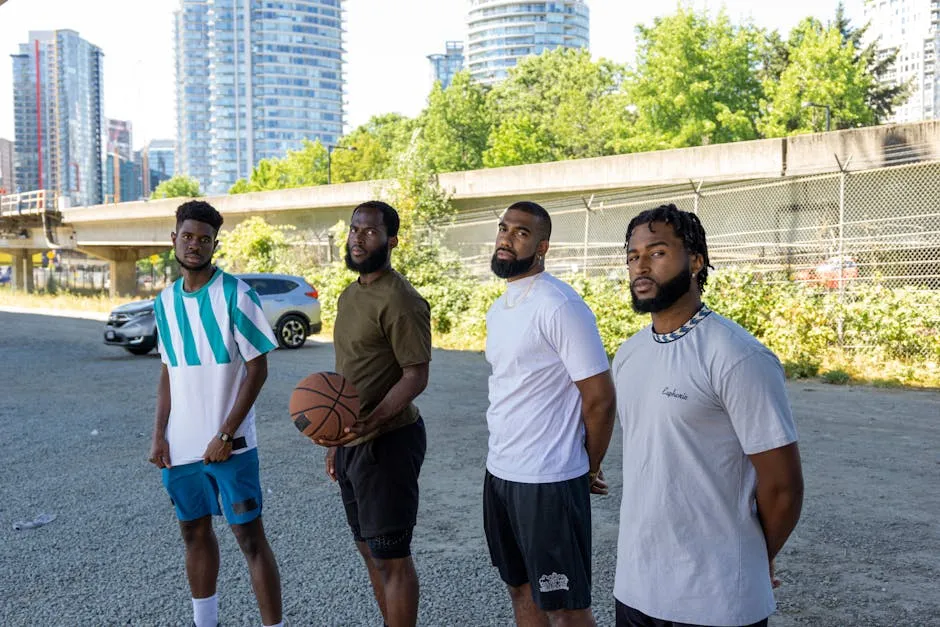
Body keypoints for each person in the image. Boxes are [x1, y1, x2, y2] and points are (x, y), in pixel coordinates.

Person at [612, 204, 804, 627]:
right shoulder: (629, 354)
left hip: (716, 599)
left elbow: (783, 487)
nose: (640, 266)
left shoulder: (737, 356)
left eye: (657, 252)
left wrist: (753, 557)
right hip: (635, 588)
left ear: (696, 261)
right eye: (632, 255)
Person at [148, 200, 283, 627]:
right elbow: (168, 371)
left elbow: (258, 367)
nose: (195, 245)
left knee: (249, 538)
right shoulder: (164, 302)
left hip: (232, 446)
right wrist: (159, 435)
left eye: (204, 240)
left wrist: (226, 434)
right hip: (182, 445)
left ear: (214, 245)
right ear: (174, 239)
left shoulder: (237, 295)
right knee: (193, 533)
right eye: (188, 237)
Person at [483, 200, 616, 627]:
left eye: (521, 233)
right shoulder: (499, 308)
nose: (507, 237)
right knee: (520, 589)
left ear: (543, 247)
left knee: (565, 608)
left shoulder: (559, 305)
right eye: (504, 228)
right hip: (501, 471)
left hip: (549, 479)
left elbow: (600, 397)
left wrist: (587, 466)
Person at [318, 200, 432, 627]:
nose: (358, 238)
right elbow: (347, 372)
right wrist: (335, 435)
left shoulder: (401, 300)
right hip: (352, 441)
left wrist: (374, 419)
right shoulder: (351, 294)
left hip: (389, 443)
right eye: (353, 229)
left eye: (369, 231)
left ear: (391, 240)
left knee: (392, 557)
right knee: (369, 550)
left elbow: (416, 375)